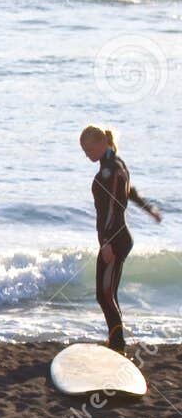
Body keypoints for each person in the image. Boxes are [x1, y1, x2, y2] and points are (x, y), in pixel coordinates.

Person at [80, 125, 160, 352]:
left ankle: (117, 344)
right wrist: (149, 209)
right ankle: (115, 340)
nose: (87, 155)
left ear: (101, 143)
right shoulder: (115, 164)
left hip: (115, 239)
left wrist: (106, 242)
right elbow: (129, 192)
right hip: (116, 237)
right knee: (108, 293)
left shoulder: (110, 170)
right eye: (84, 151)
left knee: (104, 295)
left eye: (89, 149)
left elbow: (111, 209)